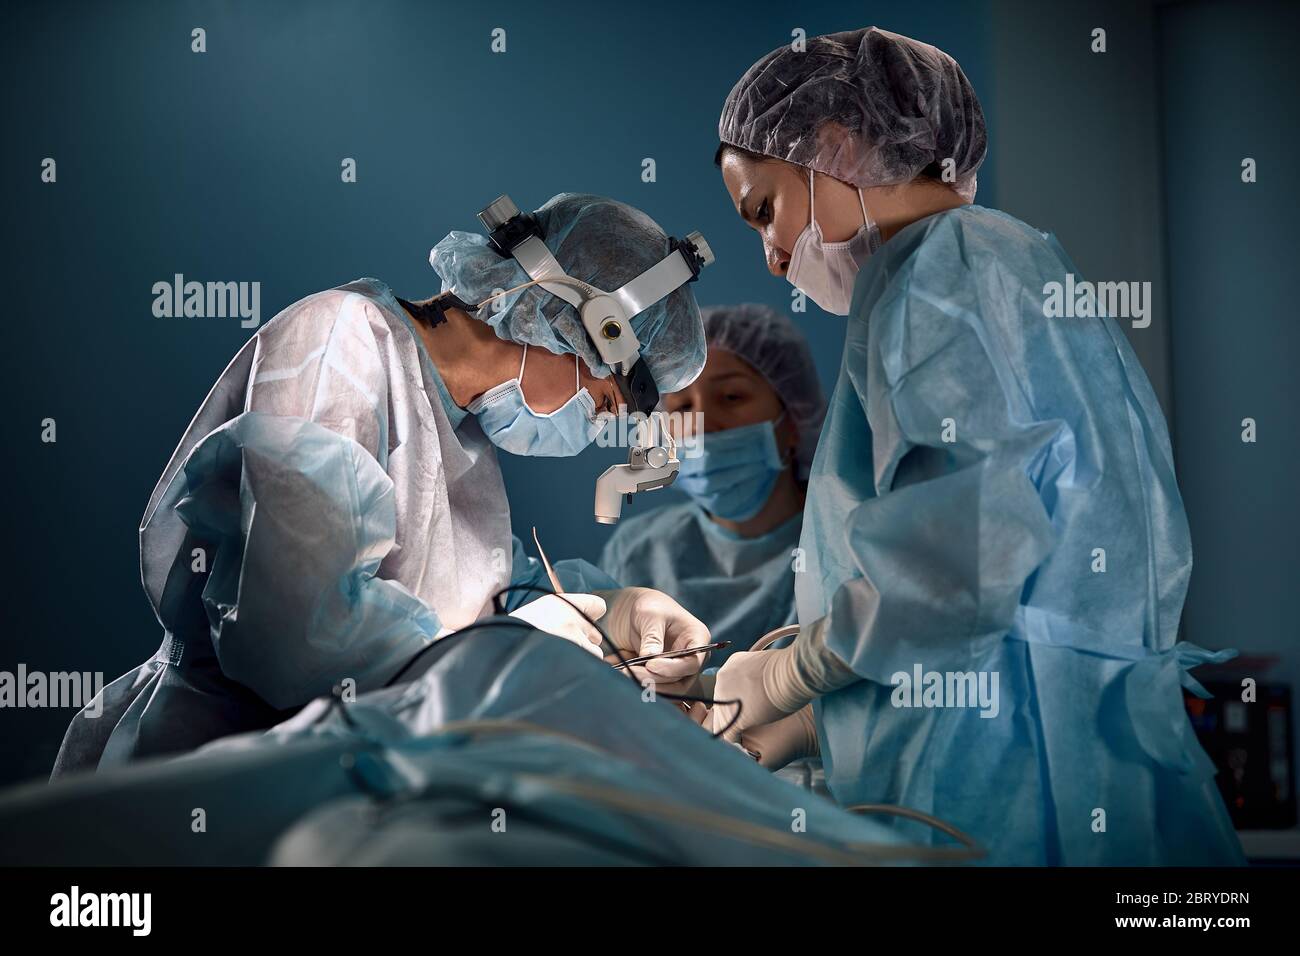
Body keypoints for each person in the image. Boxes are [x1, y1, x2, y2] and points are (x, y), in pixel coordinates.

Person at [704, 26, 1244, 865]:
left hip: (1011, 761)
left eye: (763, 210)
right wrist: (816, 725)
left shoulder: (946, 271)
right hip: (1057, 737)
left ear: (834, 145)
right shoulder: (986, 265)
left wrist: (788, 677)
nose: (772, 258)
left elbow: (964, 554)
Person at [53, 193, 714, 778]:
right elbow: (292, 632)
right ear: (571, 321)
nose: (588, 427)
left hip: (352, 775)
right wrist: (508, 649)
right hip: (219, 769)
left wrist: (608, 609)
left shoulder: (462, 437)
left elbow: (483, 594)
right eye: (600, 403)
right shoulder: (340, 340)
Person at [599, 304, 825, 666]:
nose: (703, 426)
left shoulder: (840, 543)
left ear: (794, 419)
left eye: (732, 397)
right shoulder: (638, 550)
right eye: (683, 407)